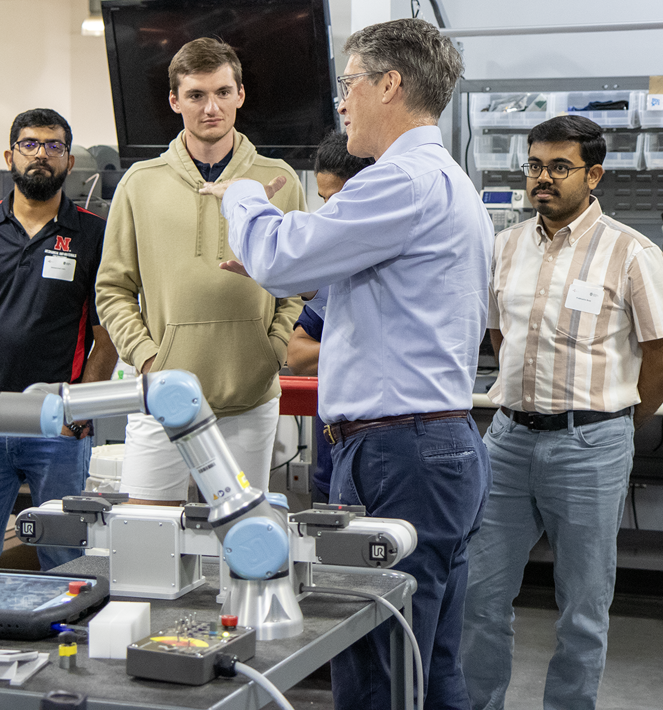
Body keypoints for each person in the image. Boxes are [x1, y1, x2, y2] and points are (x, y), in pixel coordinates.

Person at [202, 19, 494, 710]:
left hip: (402, 452)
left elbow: (278, 255)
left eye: (349, 84)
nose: (342, 101)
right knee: (428, 661)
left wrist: (241, 193)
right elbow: (386, 295)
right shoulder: (445, 182)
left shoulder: (400, 182)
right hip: (430, 446)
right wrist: (297, 268)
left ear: (390, 84)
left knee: (380, 665)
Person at [460, 115, 663, 710]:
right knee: (479, 597)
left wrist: (618, 429)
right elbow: (500, 338)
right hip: (506, 442)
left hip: (591, 446)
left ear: (594, 174)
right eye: (534, 166)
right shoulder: (505, 247)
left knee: (582, 608)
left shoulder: (632, 253)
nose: (543, 179)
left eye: (560, 167)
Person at [95, 37, 305, 505]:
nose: (212, 107)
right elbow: (112, 288)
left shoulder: (281, 180)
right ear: (175, 101)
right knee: (148, 534)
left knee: (242, 544)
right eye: (196, 95)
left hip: (250, 399)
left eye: (223, 92)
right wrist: (149, 361)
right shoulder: (139, 183)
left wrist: (271, 349)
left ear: (240, 95)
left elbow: (295, 287)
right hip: (160, 398)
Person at [0, 108, 116, 575]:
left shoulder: (93, 235)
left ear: (69, 162)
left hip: (57, 428)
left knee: (65, 560)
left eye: (54, 146)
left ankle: (67, 645)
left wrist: (80, 411)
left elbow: (107, 338)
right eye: (30, 144)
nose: (41, 155)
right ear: (10, 155)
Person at [281, 131, 373, 503]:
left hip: (382, 452)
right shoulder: (336, 273)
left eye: (338, 200)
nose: (327, 214)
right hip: (332, 458)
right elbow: (298, 356)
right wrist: (359, 345)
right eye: (323, 200)